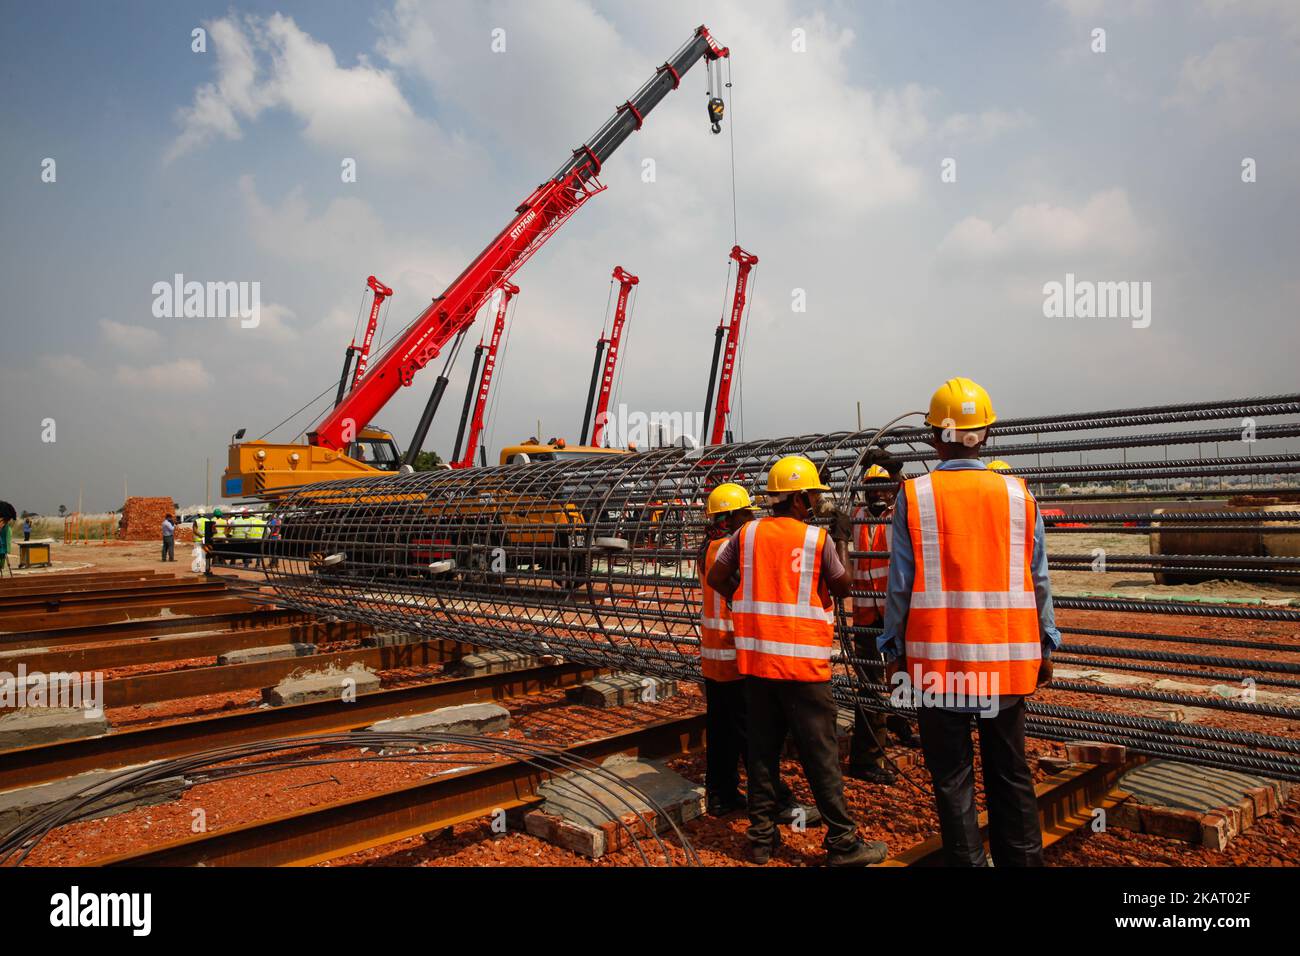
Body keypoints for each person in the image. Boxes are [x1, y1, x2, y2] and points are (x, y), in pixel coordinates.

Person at [877, 378, 1061, 867]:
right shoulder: (1019, 495)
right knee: (1011, 771)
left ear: (935, 437)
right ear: (987, 435)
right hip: (1007, 661)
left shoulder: (915, 496)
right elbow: (1038, 579)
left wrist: (893, 649)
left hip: (939, 664)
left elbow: (901, 585)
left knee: (952, 776)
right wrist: (1047, 646)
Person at [708, 455, 887, 867]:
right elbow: (843, 587)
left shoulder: (746, 535)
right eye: (813, 496)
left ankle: (760, 841)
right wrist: (841, 539)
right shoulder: (815, 540)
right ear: (800, 499)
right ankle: (843, 842)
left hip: (756, 664)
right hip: (803, 666)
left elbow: (717, 578)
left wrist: (743, 599)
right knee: (819, 753)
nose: (815, 503)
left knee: (762, 752)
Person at [697, 483, 814, 826]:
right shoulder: (731, 548)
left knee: (722, 729)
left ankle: (721, 795)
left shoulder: (707, 547)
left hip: (714, 654)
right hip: (736, 652)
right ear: (731, 516)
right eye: (746, 513)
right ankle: (776, 802)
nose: (751, 519)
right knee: (754, 735)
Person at [845, 458, 919, 785]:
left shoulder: (900, 513)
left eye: (882, 487)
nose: (876, 494)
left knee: (901, 673)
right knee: (871, 684)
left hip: (895, 614)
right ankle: (866, 757)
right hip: (865, 615)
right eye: (870, 488)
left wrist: (895, 470)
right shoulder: (857, 517)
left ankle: (900, 724)